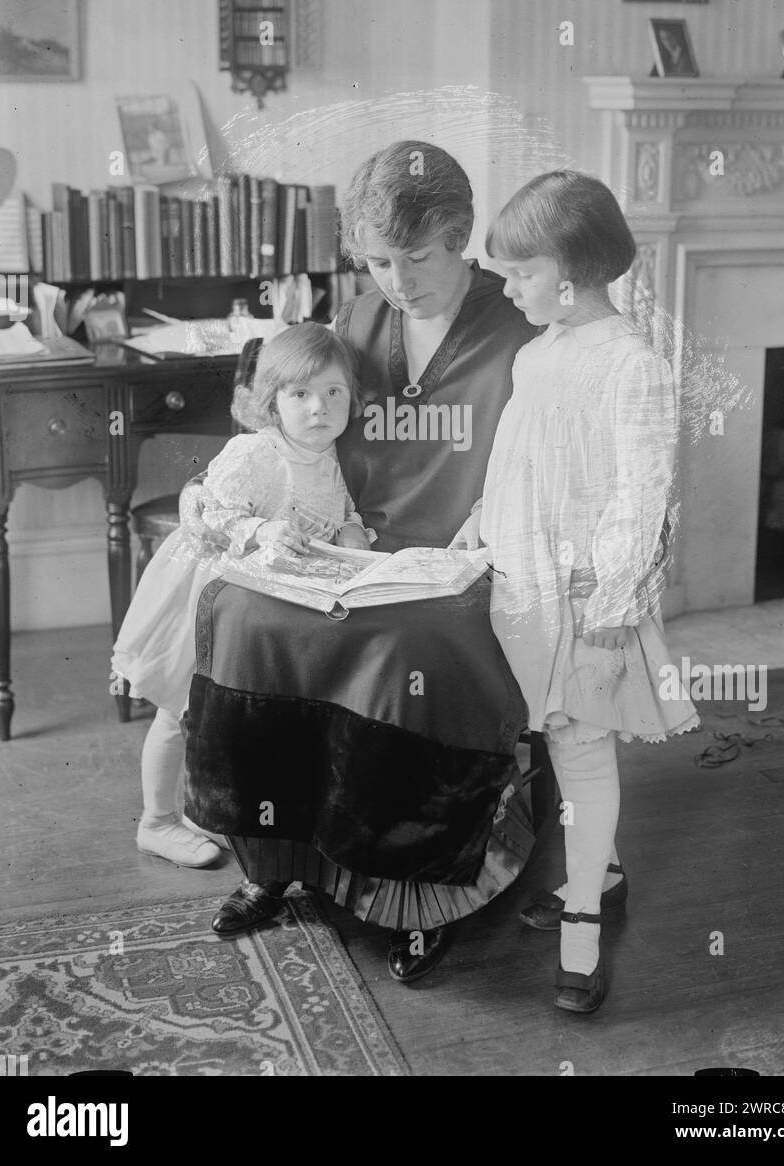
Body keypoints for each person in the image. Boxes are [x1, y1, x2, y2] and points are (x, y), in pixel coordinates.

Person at [180, 141, 537, 981]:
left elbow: (540, 464)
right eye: (377, 261)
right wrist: (235, 503)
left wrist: (486, 533)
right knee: (238, 614)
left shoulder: (518, 326)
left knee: (406, 652)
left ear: (460, 237)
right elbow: (291, 423)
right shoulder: (355, 323)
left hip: (461, 561)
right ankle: (279, 862)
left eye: (416, 258)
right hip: (345, 549)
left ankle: (418, 894)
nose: (396, 281)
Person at [475, 170, 698, 1013]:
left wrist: (612, 607)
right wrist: (479, 522)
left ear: (569, 274)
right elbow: (518, 464)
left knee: (581, 750)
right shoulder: (536, 353)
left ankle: (579, 934)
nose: (505, 287)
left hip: (582, 599)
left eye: (519, 273)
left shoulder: (632, 367)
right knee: (549, 743)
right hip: (519, 583)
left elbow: (643, 499)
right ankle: (598, 871)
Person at [110, 323, 371, 868]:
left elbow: (340, 514)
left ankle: (214, 811)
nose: (318, 408)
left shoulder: (327, 461)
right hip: (209, 594)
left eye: (333, 393)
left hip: (263, 606)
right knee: (180, 707)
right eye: (300, 394)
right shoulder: (253, 451)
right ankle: (155, 821)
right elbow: (213, 512)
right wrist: (259, 529)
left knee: (233, 715)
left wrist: (351, 534)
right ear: (272, 402)